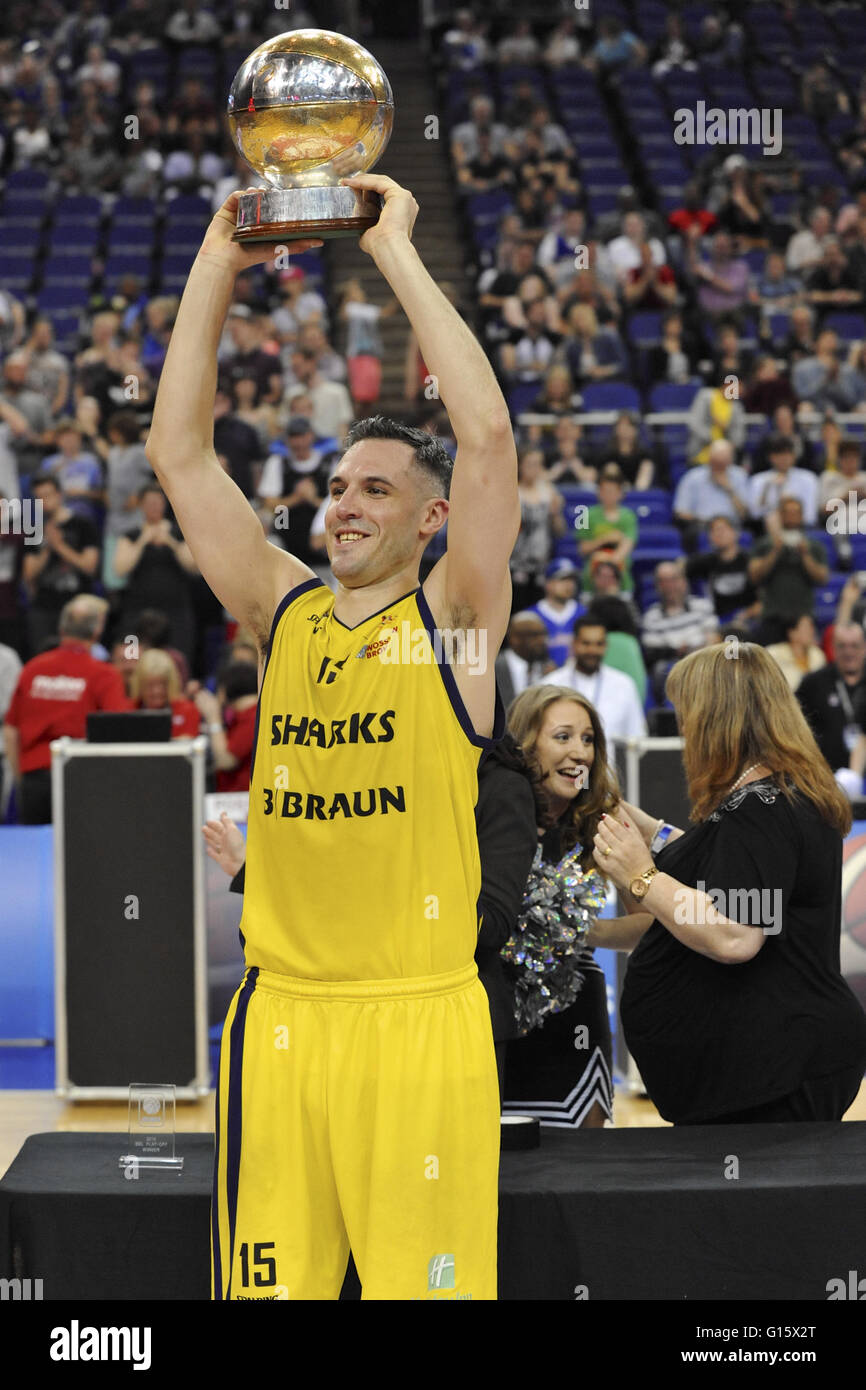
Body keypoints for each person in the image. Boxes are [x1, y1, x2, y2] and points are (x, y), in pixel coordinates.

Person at [145, 175, 519, 1302]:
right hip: (284, 1018)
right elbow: (179, 454)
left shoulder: (454, 620)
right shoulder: (284, 611)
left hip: (420, 1018)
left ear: (432, 518)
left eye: (375, 490)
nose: (342, 503)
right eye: (336, 485)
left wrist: (394, 245)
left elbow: (488, 436)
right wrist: (218, 258)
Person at [594, 643, 866, 1124]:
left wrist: (640, 876)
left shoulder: (759, 809)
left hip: (775, 1072)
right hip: (785, 1059)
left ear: (716, 717)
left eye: (687, 714)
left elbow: (735, 933)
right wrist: (650, 832)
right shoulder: (782, 793)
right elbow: (731, 878)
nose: (683, 731)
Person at [501, 687, 618, 1127]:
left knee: (579, 1162)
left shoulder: (602, 819)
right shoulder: (487, 815)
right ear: (526, 744)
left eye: (588, 740)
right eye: (563, 736)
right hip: (496, 1021)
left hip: (574, 1025)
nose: (580, 753)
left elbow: (650, 921)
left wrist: (573, 929)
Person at [2, 595, 130, 823]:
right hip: (82, 779)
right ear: (97, 632)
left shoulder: (32, 669)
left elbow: (11, 731)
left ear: (61, 629)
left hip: (35, 779)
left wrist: (21, 778)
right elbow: (119, 731)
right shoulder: (105, 675)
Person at [113, 482, 198, 664]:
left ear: (164, 504)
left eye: (157, 502)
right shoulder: (131, 535)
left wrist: (170, 542)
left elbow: (193, 566)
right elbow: (120, 568)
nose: (154, 507)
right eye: (149, 503)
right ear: (141, 505)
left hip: (175, 611)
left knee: (176, 660)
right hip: (137, 611)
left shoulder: (179, 533)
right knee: (131, 659)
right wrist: (143, 541)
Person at [543, 615, 647, 744]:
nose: (592, 650)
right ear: (574, 644)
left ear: (606, 646)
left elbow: (636, 736)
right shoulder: (551, 684)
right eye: (586, 643)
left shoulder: (624, 684)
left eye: (599, 644)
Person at [796, 622, 866, 799]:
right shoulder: (813, 683)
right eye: (842, 646)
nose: (849, 652)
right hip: (825, 783)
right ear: (833, 648)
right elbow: (794, 726)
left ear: (864, 647)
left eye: (854, 646)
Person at [128, 646, 200, 737]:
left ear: (171, 683)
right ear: (139, 685)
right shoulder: (128, 711)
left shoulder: (187, 711)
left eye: (162, 684)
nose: (156, 691)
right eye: (150, 685)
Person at [530, 559, 583, 668]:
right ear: (548, 583)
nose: (569, 584)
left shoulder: (584, 613)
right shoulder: (531, 616)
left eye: (572, 580)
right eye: (563, 579)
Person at [765, 613, 827, 692]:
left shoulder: (818, 655)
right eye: (806, 628)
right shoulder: (773, 654)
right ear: (792, 633)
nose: (812, 631)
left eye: (812, 627)